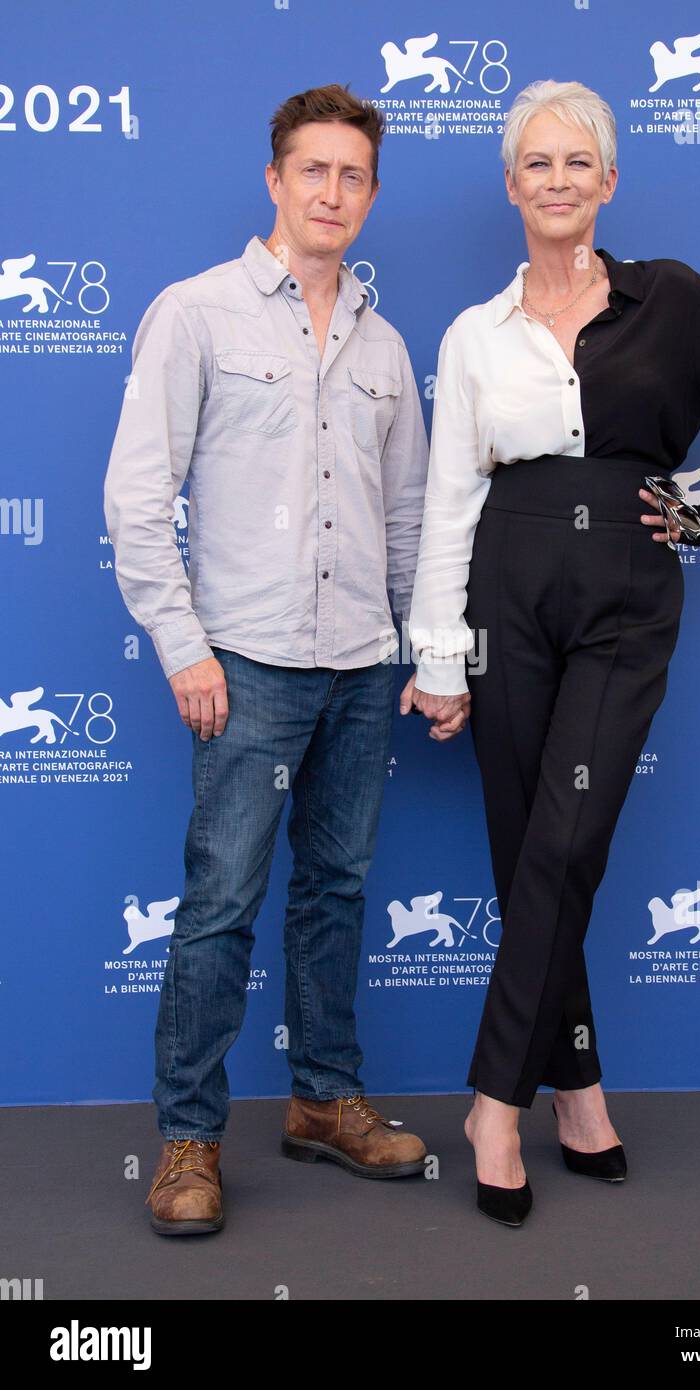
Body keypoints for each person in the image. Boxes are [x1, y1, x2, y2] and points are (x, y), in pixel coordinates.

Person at [402, 79, 700, 1226]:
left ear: (607, 180)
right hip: (505, 576)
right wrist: (438, 653)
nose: (555, 181)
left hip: (624, 592)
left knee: (567, 836)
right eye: (534, 164)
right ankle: (579, 1089)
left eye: (575, 163)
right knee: (525, 845)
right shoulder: (472, 332)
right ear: (510, 186)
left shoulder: (670, 302)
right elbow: (449, 502)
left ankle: (493, 1099)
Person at [104, 84, 431, 1236]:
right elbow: (137, 497)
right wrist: (183, 646)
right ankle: (188, 1136)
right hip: (243, 665)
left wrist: (419, 651)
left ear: (370, 193)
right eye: (312, 171)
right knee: (220, 905)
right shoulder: (195, 314)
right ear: (274, 180)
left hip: (358, 665)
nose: (331, 193)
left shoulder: (385, 345)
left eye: (352, 176)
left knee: (335, 892)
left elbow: (404, 524)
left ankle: (324, 1101)